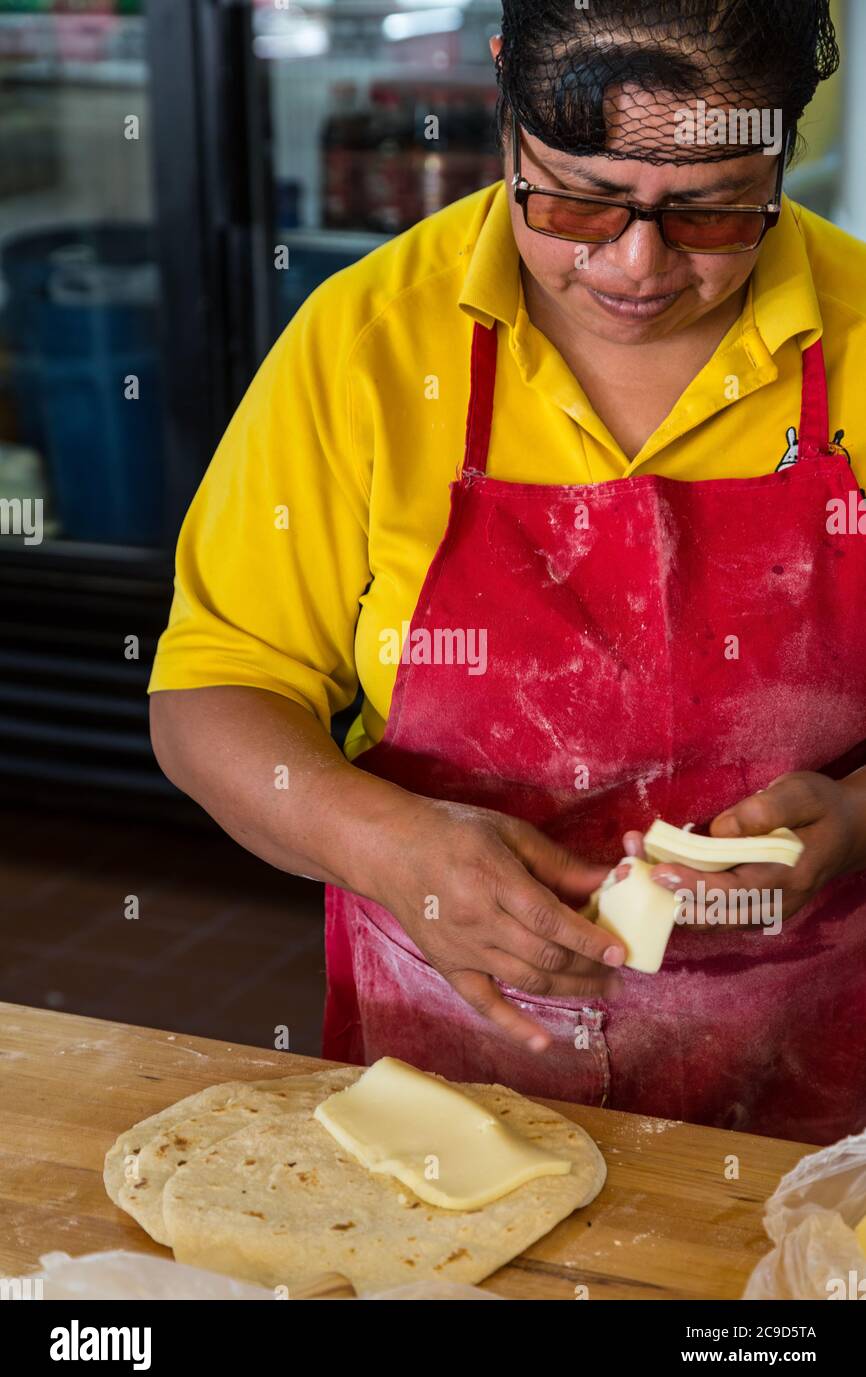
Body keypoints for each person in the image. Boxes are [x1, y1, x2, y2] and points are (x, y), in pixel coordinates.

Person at [149, 0, 866, 1144]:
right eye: (575, 198)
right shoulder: (368, 342)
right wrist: (380, 843)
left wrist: (859, 816)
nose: (635, 264)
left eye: (713, 212)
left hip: (804, 1082)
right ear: (502, 101)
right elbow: (211, 695)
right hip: (449, 1080)